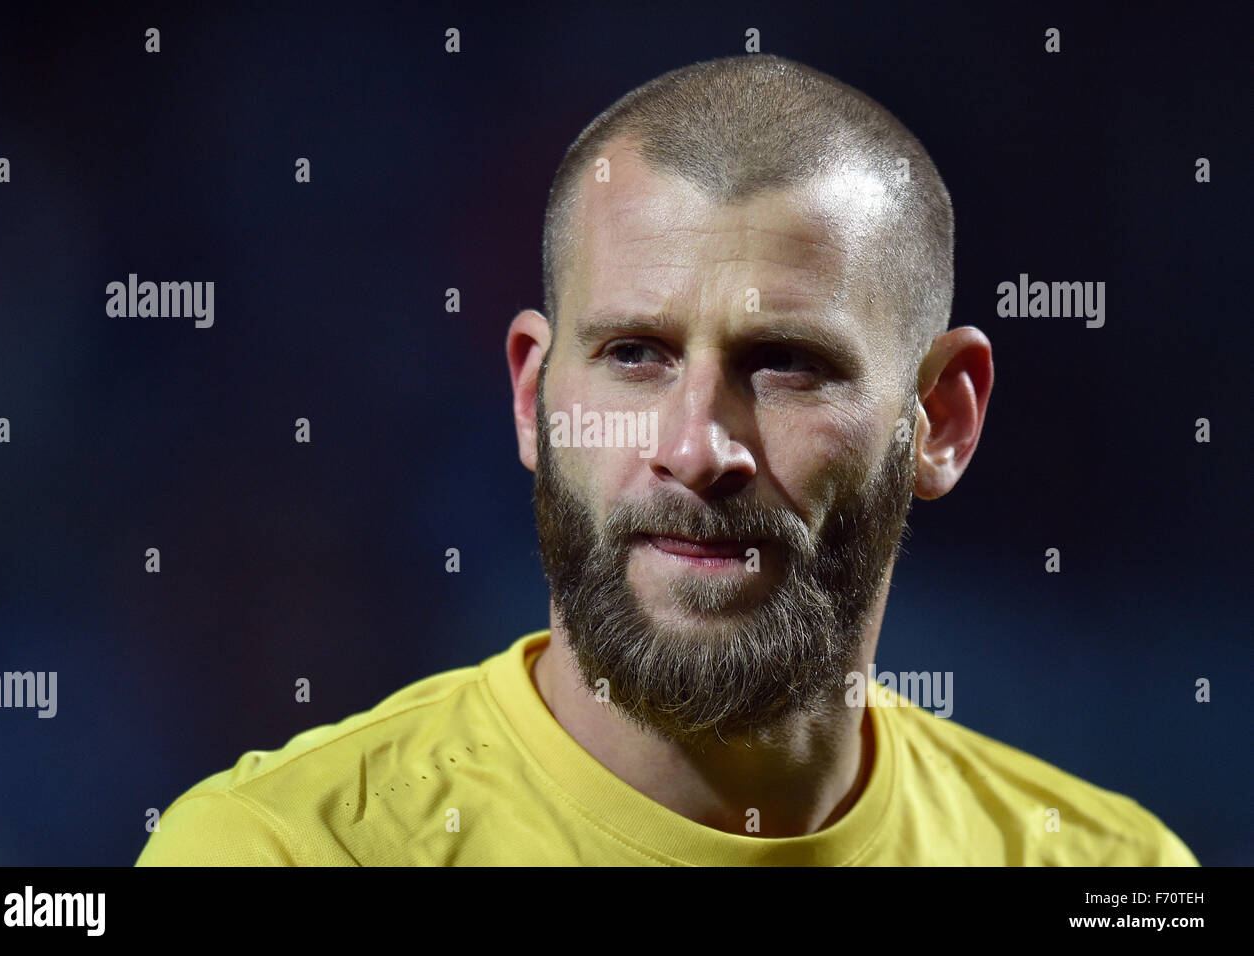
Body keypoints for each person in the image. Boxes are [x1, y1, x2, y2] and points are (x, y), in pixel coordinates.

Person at [136, 53, 1197, 866]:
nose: (695, 448)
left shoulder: (1113, 871)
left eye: (785, 364)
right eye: (634, 354)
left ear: (942, 417)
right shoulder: (281, 853)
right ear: (531, 396)